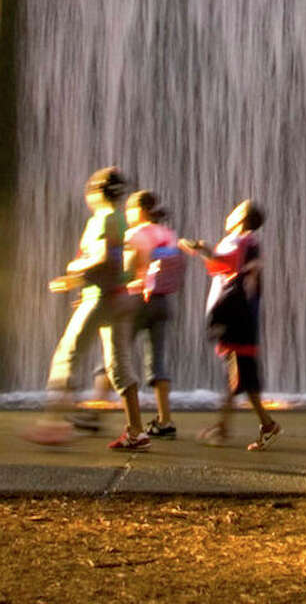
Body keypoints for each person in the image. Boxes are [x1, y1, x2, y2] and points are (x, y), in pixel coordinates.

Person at [24, 165, 149, 451]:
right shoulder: (120, 219)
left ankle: (53, 425)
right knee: (119, 365)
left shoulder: (103, 219)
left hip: (99, 298)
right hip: (118, 298)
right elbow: (125, 263)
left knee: (66, 356)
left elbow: (103, 258)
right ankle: (136, 431)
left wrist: (74, 272)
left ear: (96, 192)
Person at [181, 200, 280, 450]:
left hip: (237, 316)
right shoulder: (246, 243)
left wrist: (203, 250)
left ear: (242, 219)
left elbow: (227, 262)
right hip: (240, 315)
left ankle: (228, 428)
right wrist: (204, 252)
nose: (230, 212)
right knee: (242, 375)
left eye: (236, 210)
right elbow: (225, 267)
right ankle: (263, 425)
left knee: (238, 375)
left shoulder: (244, 240)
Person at [123, 188, 184, 439]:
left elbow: (127, 269)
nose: (127, 214)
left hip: (136, 300)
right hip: (161, 301)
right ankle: (165, 420)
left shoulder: (135, 234)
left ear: (141, 210)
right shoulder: (168, 234)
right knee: (157, 361)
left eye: (130, 209)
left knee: (115, 354)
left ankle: (93, 412)